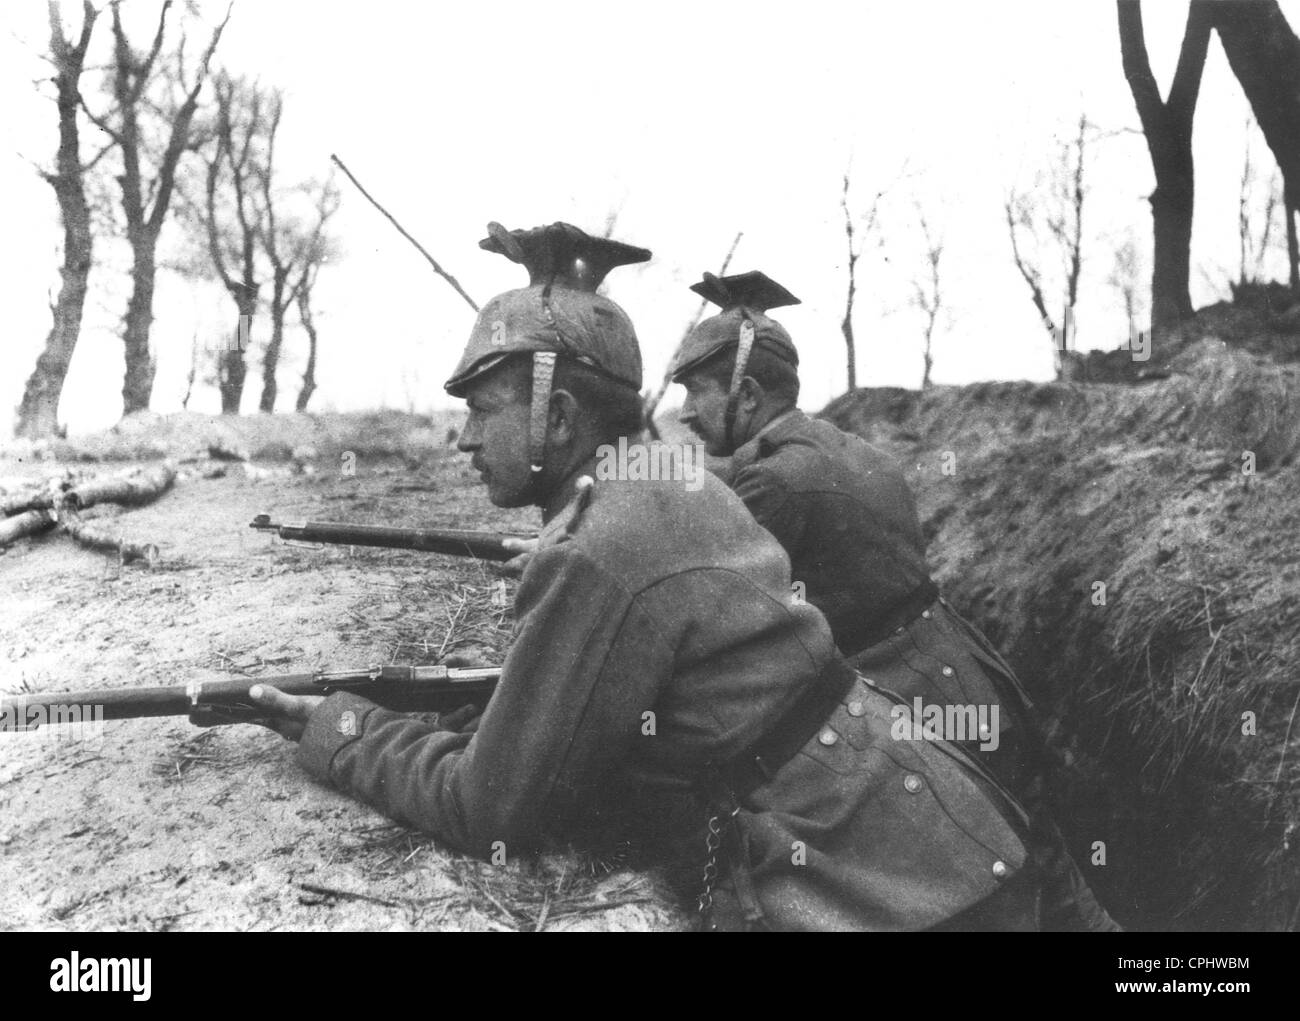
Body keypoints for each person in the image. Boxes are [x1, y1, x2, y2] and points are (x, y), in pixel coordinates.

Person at [250, 222, 1048, 931]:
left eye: (481, 409)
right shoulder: (670, 475)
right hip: (925, 822)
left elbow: (487, 810)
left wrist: (341, 727)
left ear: (559, 418)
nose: (464, 438)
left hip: (893, 885)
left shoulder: (599, 543)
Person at [670, 269, 1119, 931]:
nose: (684, 411)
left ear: (751, 393)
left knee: (981, 902)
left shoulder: (774, 481)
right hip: (970, 679)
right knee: (1049, 881)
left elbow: (707, 610)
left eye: (697, 390)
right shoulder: (850, 449)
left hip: (909, 716)